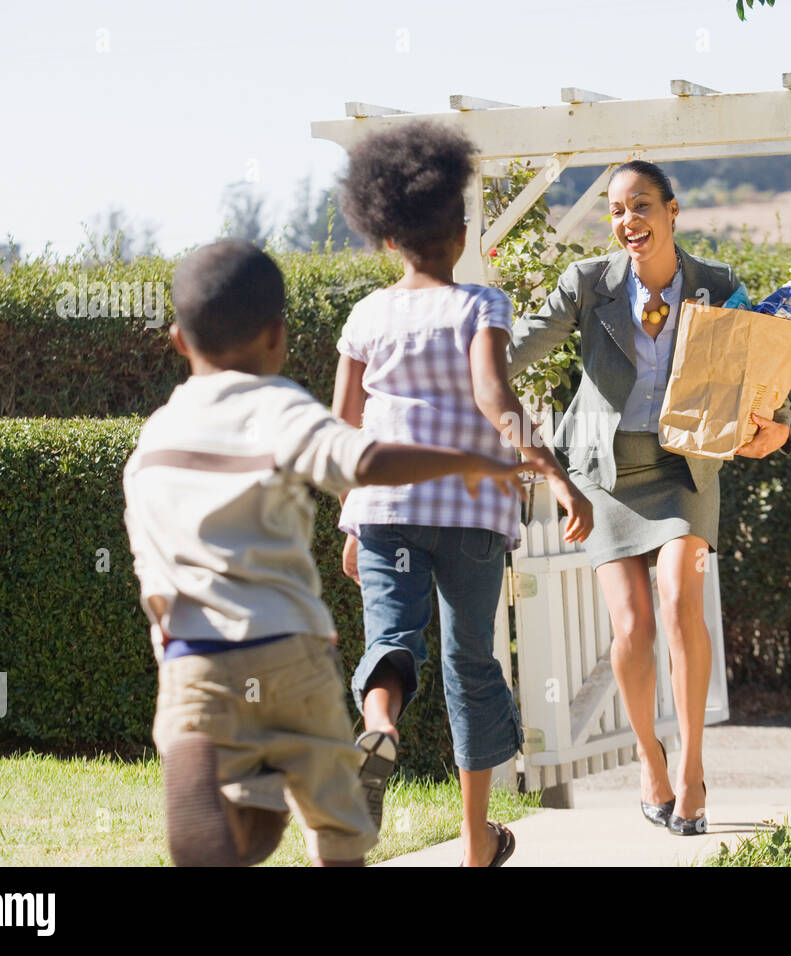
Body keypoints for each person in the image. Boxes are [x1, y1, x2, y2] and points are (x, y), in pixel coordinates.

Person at [123, 239, 526, 867]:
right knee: (339, 832)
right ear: (277, 335)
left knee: (214, 830)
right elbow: (362, 459)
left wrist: (175, 655)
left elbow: (151, 565)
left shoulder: (152, 443)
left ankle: (247, 785)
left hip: (192, 659)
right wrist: (470, 461)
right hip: (291, 652)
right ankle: (306, 802)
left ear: (178, 339)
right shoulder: (278, 407)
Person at [333, 121, 593, 866]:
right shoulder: (481, 303)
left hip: (384, 508)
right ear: (461, 231)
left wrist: (355, 521)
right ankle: (477, 839)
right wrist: (556, 475)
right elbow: (493, 395)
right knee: (471, 660)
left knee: (391, 641)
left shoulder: (365, 316)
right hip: (473, 512)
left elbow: (342, 428)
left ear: (386, 239)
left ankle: (378, 726)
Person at [507, 160, 791, 835]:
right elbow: (521, 347)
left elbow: (766, 380)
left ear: (671, 212)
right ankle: (650, 759)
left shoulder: (719, 286)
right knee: (632, 627)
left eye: (640, 206)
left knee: (677, 598)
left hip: (682, 472)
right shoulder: (587, 283)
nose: (628, 221)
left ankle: (691, 769)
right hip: (604, 476)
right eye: (616, 211)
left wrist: (776, 429)